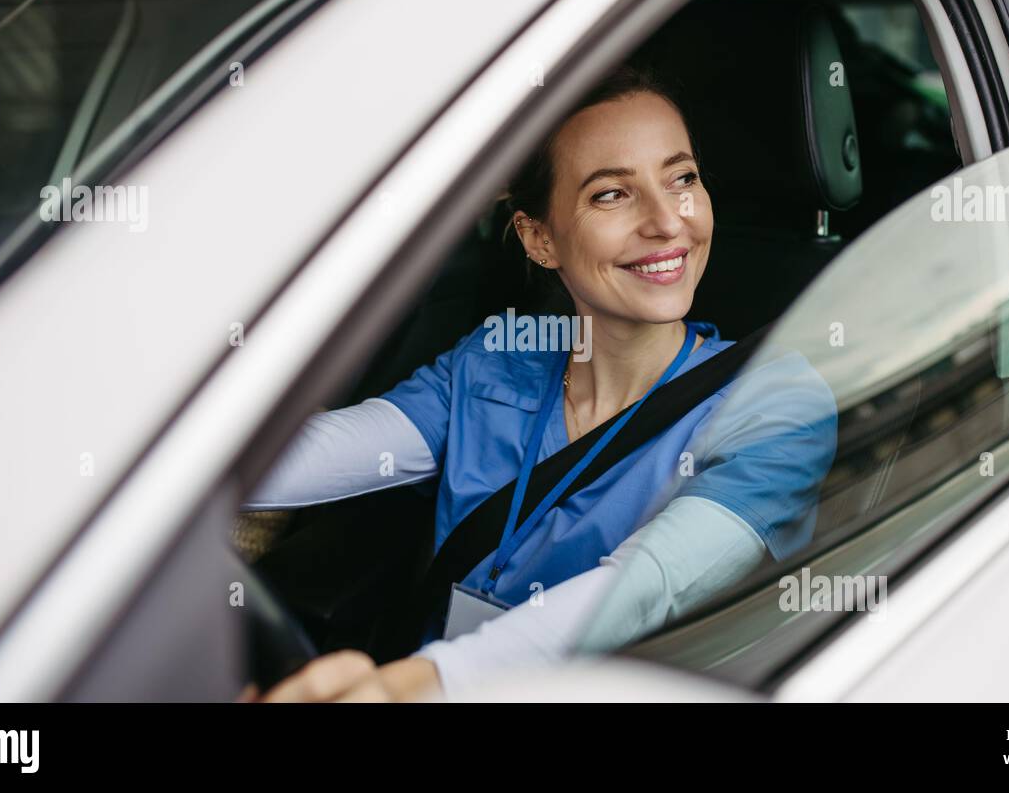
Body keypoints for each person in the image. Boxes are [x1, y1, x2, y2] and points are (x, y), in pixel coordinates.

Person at [240, 65, 837, 702]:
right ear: (539, 238)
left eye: (683, 179)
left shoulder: (777, 404)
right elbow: (297, 461)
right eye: (612, 193)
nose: (668, 222)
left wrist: (420, 683)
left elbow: (642, 589)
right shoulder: (492, 365)